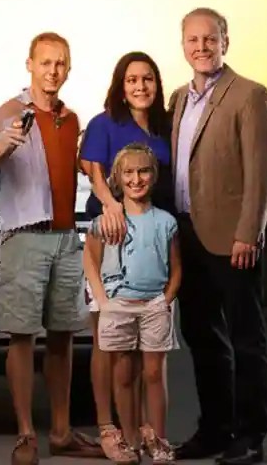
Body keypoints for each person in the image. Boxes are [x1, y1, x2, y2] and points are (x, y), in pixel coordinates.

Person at [0, 32, 104, 465]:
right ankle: (26, 433)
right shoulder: (9, 114)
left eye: (61, 63)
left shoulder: (71, 120)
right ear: (29, 64)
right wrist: (0, 147)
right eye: (45, 62)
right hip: (24, 237)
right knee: (22, 335)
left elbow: (82, 169)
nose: (53, 71)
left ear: (68, 69)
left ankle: (63, 432)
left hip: (67, 239)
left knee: (64, 336)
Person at [168, 7, 267, 465]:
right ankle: (214, 429)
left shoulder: (250, 95)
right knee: (202, 336)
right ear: (183, 46)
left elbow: (262, 171)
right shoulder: (177, 99)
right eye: (193, 40)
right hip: (188, 233)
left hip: (234, 239)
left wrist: (247, 233)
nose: (201, 47)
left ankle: (250, 437)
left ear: (225, 41)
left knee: (246, 339)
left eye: (210, 39)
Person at [78, 52, 174, 459]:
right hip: (111, 233)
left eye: (148, 78)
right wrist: (109, 204)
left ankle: (146, 432)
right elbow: (90, 164)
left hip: (153, 239)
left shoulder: (166, 127)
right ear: (121, 85)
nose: (140, 86)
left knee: (150, 347)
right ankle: (108, 429)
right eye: (132, 79)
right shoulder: (105, 123)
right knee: (109, 342)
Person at [84, 142, 181, 465]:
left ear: (153, 176)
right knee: (123, 373)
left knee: (153, 373)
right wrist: (103, 301)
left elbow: (176, 267)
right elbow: (91, 259)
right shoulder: (107, 221)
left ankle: (159, 438)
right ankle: (130, 440)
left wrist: (165, 300)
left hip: (154, 304)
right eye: (128, 172)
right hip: (118, 304)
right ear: (117, 177)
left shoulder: (166, 221)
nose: (136, 179)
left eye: (143, 171)